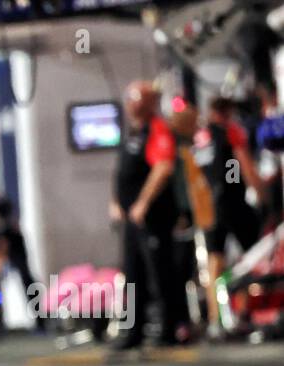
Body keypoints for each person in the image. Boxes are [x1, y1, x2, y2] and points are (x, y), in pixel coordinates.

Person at [111, 81, 184, 348]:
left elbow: (163, 168)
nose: (132, 104)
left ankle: (169, 330)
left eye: (137, 99)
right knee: (133, 274)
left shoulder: (158, 129)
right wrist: (116, 201)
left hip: (153, 217)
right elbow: (121, 172)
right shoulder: (132, 133)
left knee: (160, 272)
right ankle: (134, 331)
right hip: (131, 219)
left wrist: (143, 202)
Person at [196, 96, 265, 331]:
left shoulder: (201, 137)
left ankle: (216, 318)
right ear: (226, 112)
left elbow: (218, 170)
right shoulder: (230, 132)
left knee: (215, 258)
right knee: (250, 256)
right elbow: (241, 164)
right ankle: (244, 311)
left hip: (209, 205)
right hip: (232, 203)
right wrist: (262, 194)